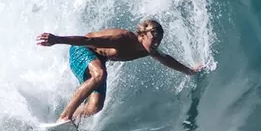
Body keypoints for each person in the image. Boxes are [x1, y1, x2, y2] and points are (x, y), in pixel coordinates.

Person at [36, 19, 203, 122]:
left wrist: (189, 71)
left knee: (95, 107)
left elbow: (165, 59)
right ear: (143, 34)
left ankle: (69, 120)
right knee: (100, 74)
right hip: (82, 50)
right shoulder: (123, 38)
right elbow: (87, 40)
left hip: (98, 60)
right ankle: (64, 116)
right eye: (153, 40)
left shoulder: (147, 49)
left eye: (159, 41)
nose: (156, 44)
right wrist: (57, 39)